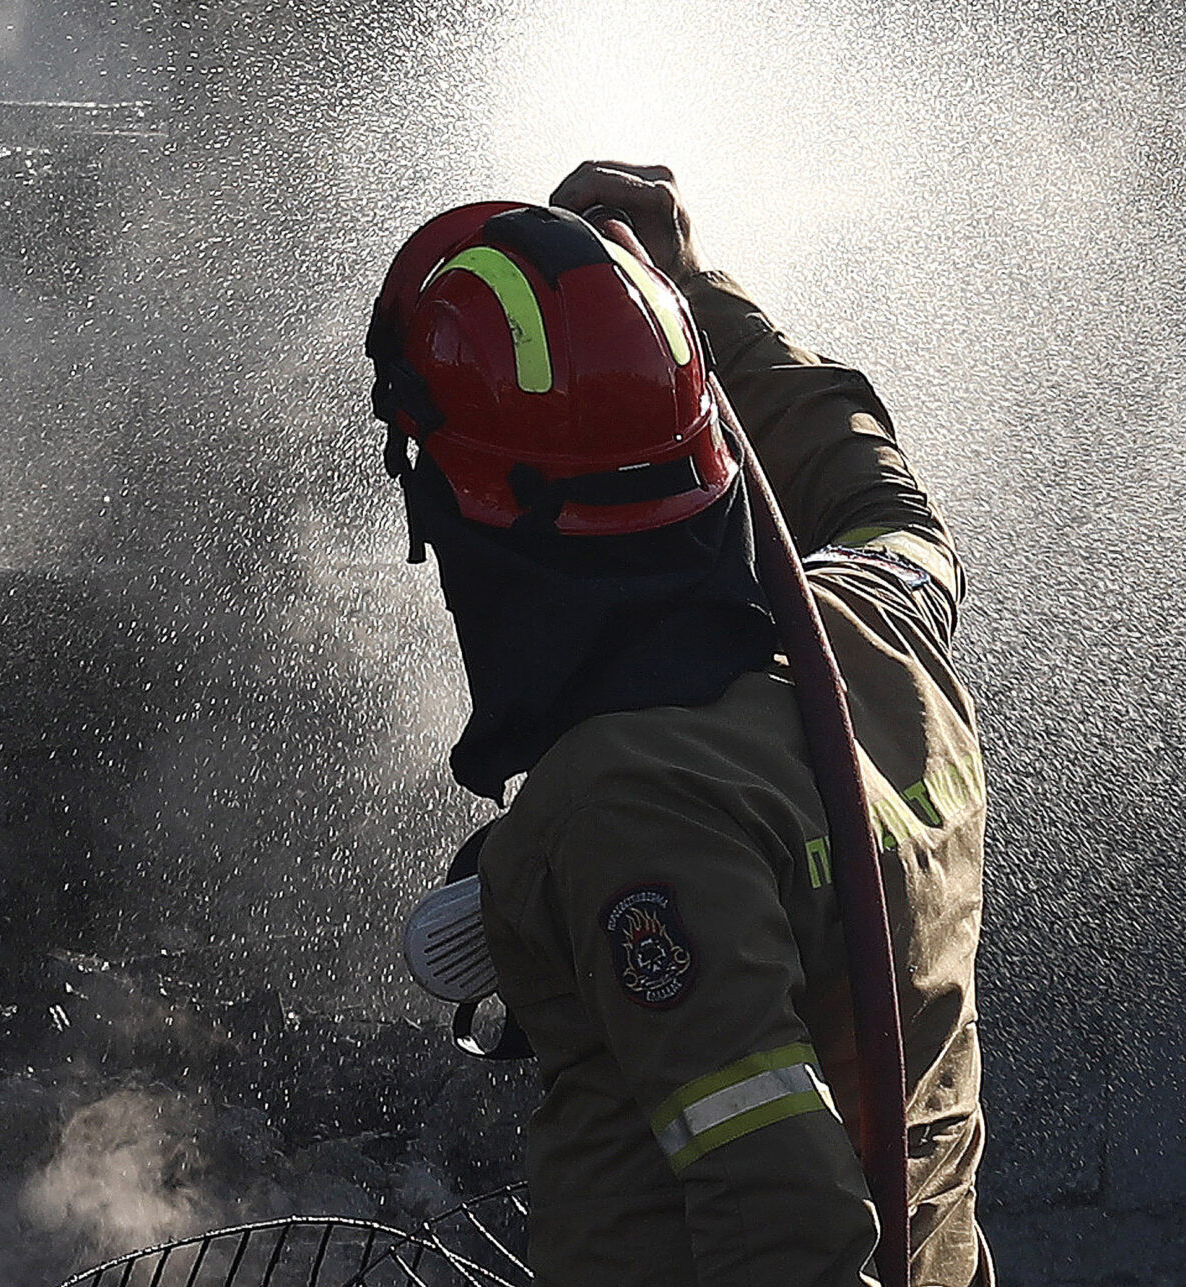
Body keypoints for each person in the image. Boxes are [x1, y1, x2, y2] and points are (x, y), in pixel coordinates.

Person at [366, 162, 988, 1286]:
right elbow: (886, 502)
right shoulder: (879, 641)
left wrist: (563, 866)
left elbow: (786, 1222)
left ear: (468, 524)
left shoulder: (626, 797)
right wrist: (699, 296)